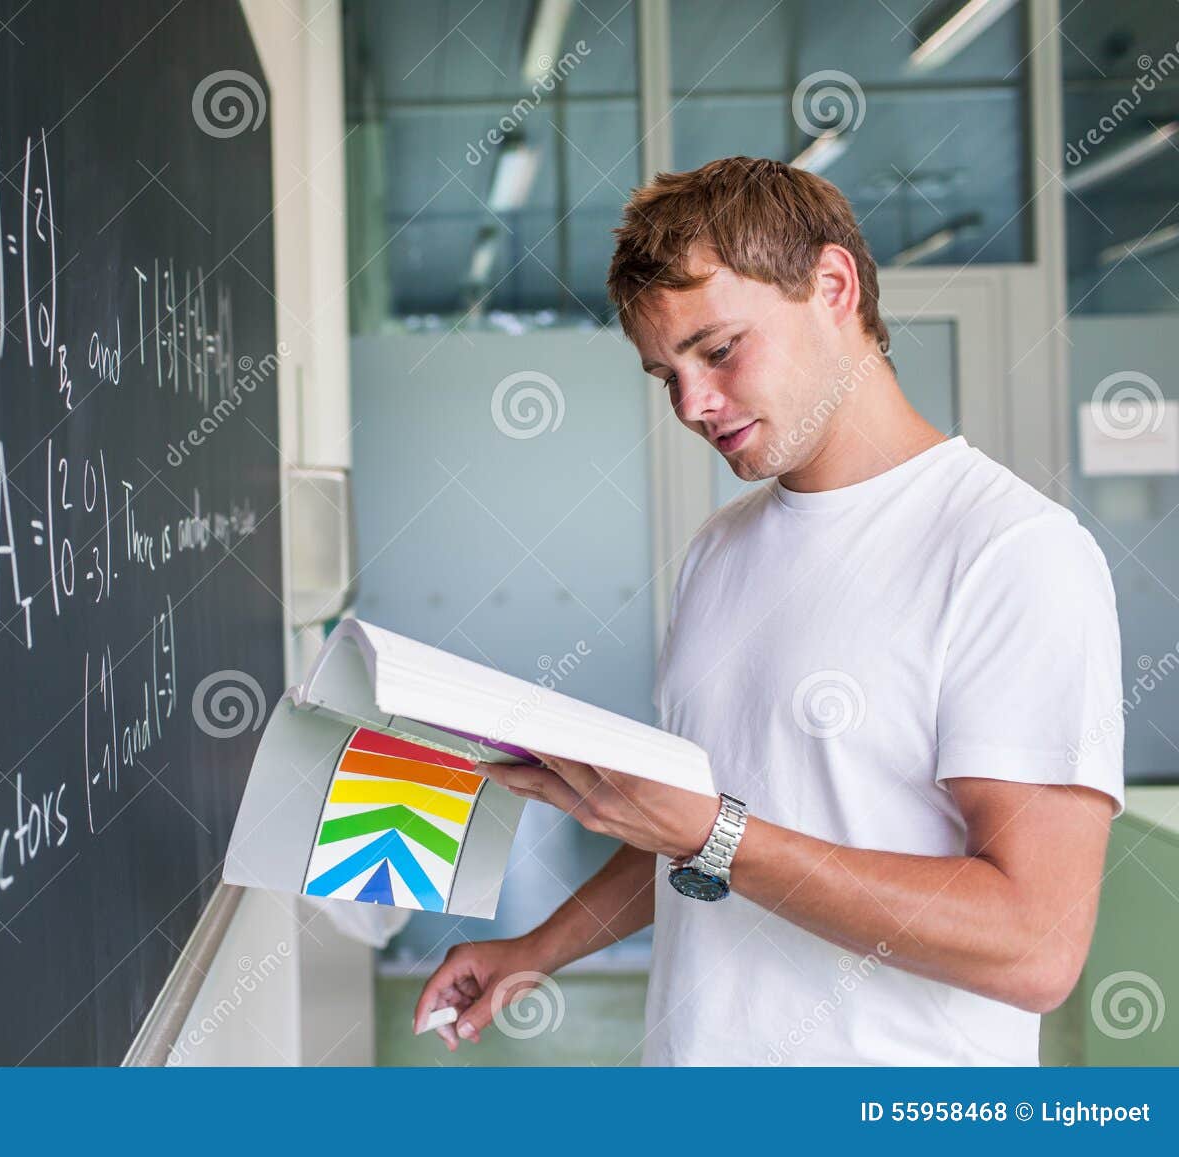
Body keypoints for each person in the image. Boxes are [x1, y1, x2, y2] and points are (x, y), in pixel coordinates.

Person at [414, 156, 1125, 1066]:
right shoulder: (718, 551)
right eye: (665, 375)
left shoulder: (1011, 551)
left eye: (717, 350)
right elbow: (714, 826)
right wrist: (537, 948)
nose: (694, 404)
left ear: (833, 285)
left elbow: (1035, 945)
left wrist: (714, 832)